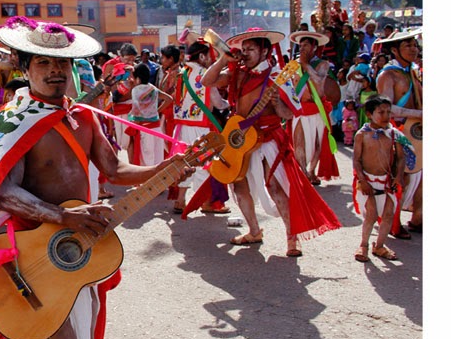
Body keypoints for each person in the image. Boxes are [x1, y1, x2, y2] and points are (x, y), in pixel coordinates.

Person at [0, 16, 193, 339]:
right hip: (37, 254)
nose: (54, 72)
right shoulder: (8, 123)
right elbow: (5, 193)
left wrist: (166, 169)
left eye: (62, 65)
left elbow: (115, 168)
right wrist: (63, 214)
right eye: (43, 64)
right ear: (24, 66)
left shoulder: (85, 118)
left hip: (77, 247)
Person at [202, 28, 341, 257]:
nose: (245, 53)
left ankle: (292, 239)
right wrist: (221, 60)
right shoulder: (238, 73)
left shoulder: (279, 76)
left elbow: (288, 115)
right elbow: (208, 81)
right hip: (240, 140)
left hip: (268, 138)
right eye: (243, 49)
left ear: (265, 50)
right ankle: (254, 231)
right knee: (238, 185)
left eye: (251, 49)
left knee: (277, 189)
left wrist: (277, 104)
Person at [171, 39, 230, 216]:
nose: (211, 61)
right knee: (205, 163)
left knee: (185, 162)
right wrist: (228, 105)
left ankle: (180, 200)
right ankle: (206, 202)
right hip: (201, 126)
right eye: (210, 56)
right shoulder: (205, 74)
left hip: (182, 127)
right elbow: (217, 103)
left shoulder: (181, 72)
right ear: (202, 56)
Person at [352, 96, 414, 262]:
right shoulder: (362, 135)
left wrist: (399, 176)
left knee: (388, 215)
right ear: (370, 114)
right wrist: (363, 180)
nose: (386, 116)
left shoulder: (394, 134)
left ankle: (379, 246)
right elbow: (356, 160)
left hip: (387, 181)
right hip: (368, 181)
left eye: (388, 112)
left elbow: (401, 158)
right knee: (371, 216)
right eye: (381, 112)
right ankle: (363, 245)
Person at [375, 29, 423, 238]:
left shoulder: (414, 72)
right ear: (395, 50)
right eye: (408, 46)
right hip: (399, 130)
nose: (413, 49)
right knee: (400, 177)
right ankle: (393, 222)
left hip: (418, 130)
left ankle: (418, 217)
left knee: (422, 176)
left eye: (414, 45)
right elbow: (387, 108)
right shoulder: (388, 75)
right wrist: (419, 113)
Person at [286, 30, 339, 186]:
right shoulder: (293, 64)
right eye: (300, 45)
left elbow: (318, 80)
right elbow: (285, 84)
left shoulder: (322, 64)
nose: (302, 48)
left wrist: (305, 65)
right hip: (300, 108)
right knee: (299, 142)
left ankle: (311, 171)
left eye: (306, 45)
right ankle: (302, 172)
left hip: (316, 108)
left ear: (314, 48)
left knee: (317, 143)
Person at [125, 62, 172, 166]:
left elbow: (136, 112)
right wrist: (157, 111)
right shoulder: (153, 88)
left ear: (137, 77)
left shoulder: (136, 91)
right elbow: (169, 99)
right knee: (158, 158)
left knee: (147, 160)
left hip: (144, 129)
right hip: (156, 128)